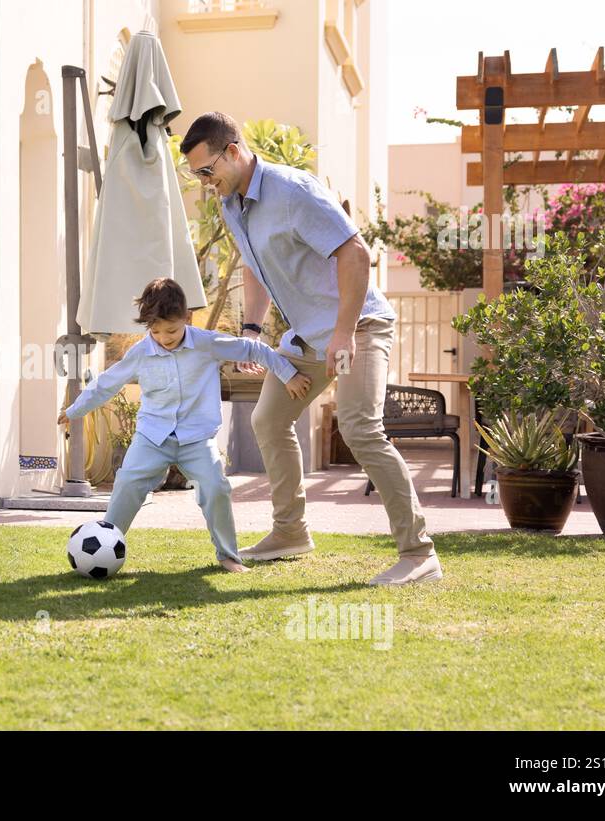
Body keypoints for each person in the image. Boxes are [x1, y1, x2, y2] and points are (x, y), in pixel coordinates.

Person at [180, 111, 442, 586]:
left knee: (361, 429)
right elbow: (256, 269)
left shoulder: (292, 191)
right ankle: (290, 533)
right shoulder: (232, 206)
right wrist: (254, 331)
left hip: (359, 324)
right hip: (308, 336)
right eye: (197, 174)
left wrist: (343, 331)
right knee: (268, 419)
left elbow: (354, 252)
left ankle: (418, 553)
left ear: (234, 153)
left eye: (206, 170)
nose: (204, 182)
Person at [58, 278, 311, 573]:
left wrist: (288, 374)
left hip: (197, 439)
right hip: (152, 436)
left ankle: (228, 556)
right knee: (127, 482)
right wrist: (75, 410)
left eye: (171, 330)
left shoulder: (206, 343)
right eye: (155, 331)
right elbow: (106, 383)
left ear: (186, 318)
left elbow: (255, 350)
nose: (163, 337)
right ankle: (104, 545)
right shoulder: (141, 352)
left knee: (216, 487)